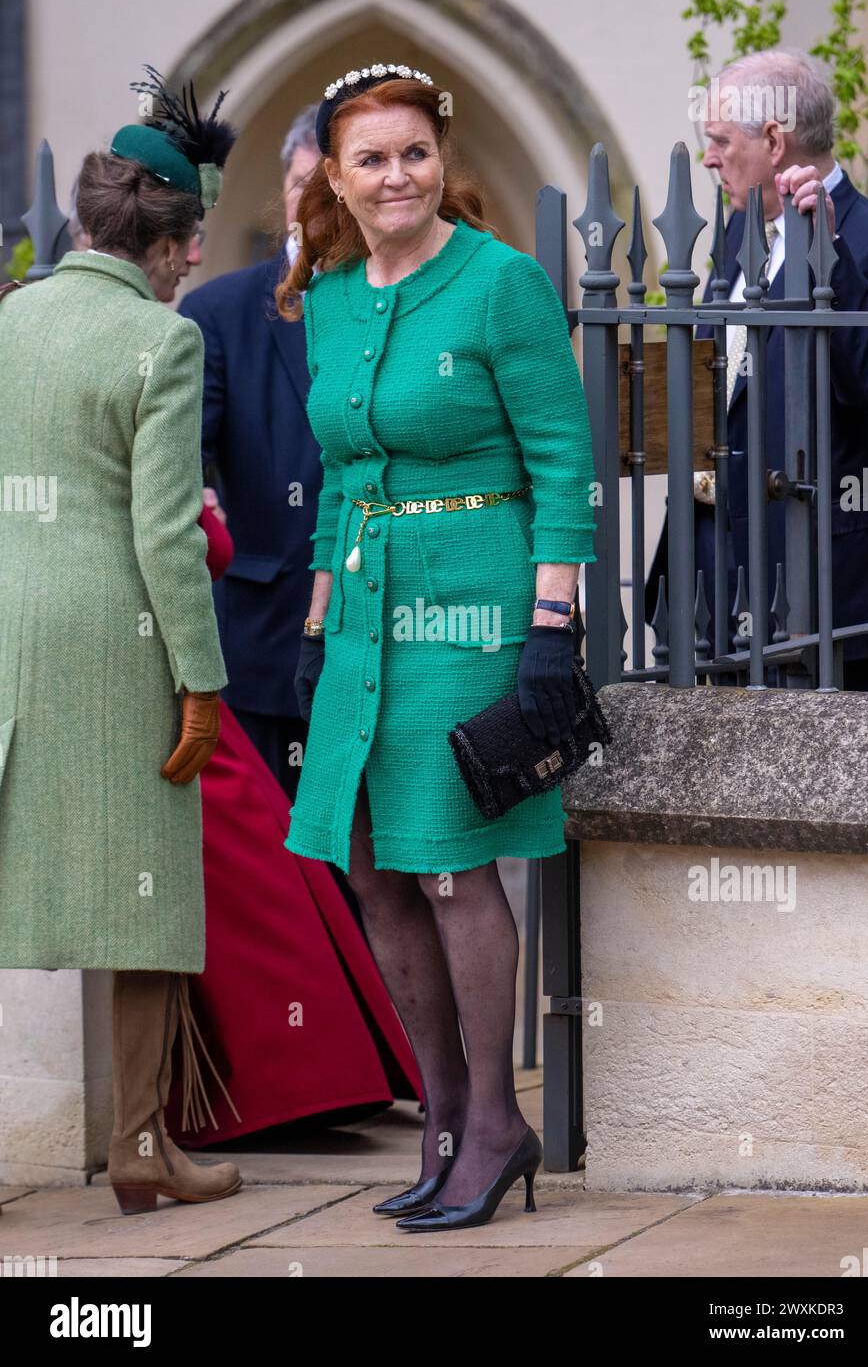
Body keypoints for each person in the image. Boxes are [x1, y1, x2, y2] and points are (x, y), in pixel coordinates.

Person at [278, 62, 598, 1230]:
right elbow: (340, 480)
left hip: (474, 607)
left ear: (442, 162)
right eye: (373, 158)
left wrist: (551, 628)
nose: (397, 174)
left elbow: (565, 463)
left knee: (452, 861)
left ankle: (500, 1121)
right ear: (337, 177)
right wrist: (315, 629)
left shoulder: (501, 284)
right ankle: (449, 1114)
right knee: (370, 863)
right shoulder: (334, 300)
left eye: (415, 152)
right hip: (362, 613)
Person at [0, 65, 242, 1215]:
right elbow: (166, 533)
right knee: (144, 898)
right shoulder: (162, 340)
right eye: (191, 238)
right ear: (169, 239)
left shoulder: (14, 315)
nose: (196, 259)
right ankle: (141, 1147)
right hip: (114, 638)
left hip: (8, 629)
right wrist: (200, 678)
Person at [162, 496, 425, 1146]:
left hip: (160, 680)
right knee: (261, 864)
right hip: (176, 689)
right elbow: (208, 550)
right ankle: (302, 1082)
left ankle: (309, 1079)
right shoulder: (144, 408)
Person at [647, 49, 868, 688]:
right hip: (718, 583)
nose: (708, 158)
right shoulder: (735, 235)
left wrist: (828, 252)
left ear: (775, 140)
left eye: (721, 141)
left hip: (824, 595)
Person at [177, 105, 322, 803]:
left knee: (396, 875)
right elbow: (178, 468)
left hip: (399, 637)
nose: (314, 200)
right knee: (289, 880)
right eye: (302, 183)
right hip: (268, 637)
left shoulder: (417, 303)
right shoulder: (219, 314)